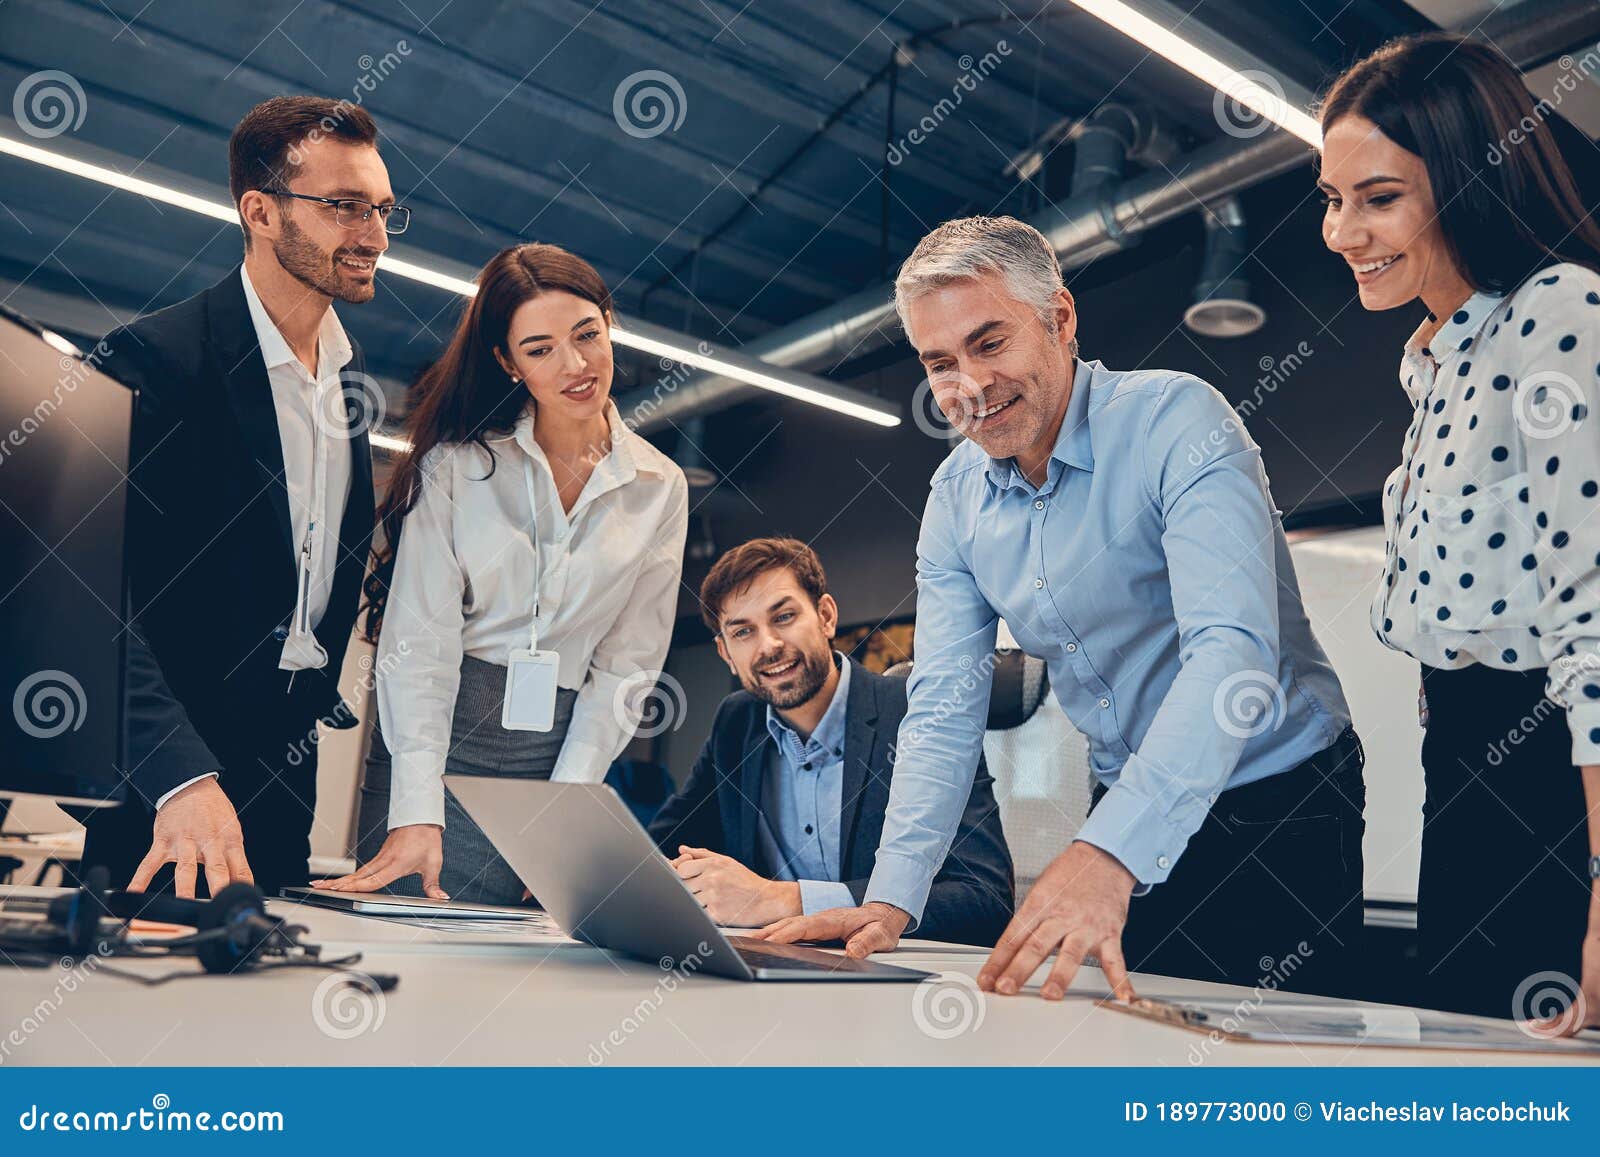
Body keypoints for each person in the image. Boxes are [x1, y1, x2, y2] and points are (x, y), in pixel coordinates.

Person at [758, 215, 1365, 1003]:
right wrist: (891, 895)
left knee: (1278, 1061)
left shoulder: (1176, 421)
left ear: (1061, 319)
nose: (967, 387)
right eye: (939, 363)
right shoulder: (955, 501)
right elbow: (943, 705)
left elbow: (1232, 657)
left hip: (1279, 800)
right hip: (1121, 798)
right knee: (1137, 1046)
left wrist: (1109, 852)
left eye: (989, 343)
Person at [1318, 33, 1600, 1028]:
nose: (1340, 230)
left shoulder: (1555, 314)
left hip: (1555, 787)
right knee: (1468, 1061)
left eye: (1378, 196)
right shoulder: (1430, 361)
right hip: (1465, 771)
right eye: (1331, 197)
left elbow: (1593, 622)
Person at [80, 96, 398, 898]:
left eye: (384, 209)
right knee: (137, 1011)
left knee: (266, 1011)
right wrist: (178, 777)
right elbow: (88, 599)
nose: (374, 235)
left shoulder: (347, 380)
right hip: (162, 791)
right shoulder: (153, 360)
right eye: (345, 207)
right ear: (259, 210)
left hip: (282, 775)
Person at [312, 244, 689, 906]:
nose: (574, 365)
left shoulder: (660, 486)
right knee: (409, 947)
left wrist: (565, 814)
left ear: (609, 325)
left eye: (586, 335)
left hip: (557, 754)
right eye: (540, 349)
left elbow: (629, 664)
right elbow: (419, 643)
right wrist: (418, 806)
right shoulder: (459, 467)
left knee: (520, 972)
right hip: (435, 743)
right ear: (508, 363)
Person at [648, 537, 1013, 946]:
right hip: (768, 973)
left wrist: (782, 899)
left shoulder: (916, 713)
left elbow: (985, 900)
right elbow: (658, 850)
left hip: (885, 978)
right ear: (726, 652)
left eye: (783, 617)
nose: (768, 645)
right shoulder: (737, 724)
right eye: (743, 632)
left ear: (825, 616)